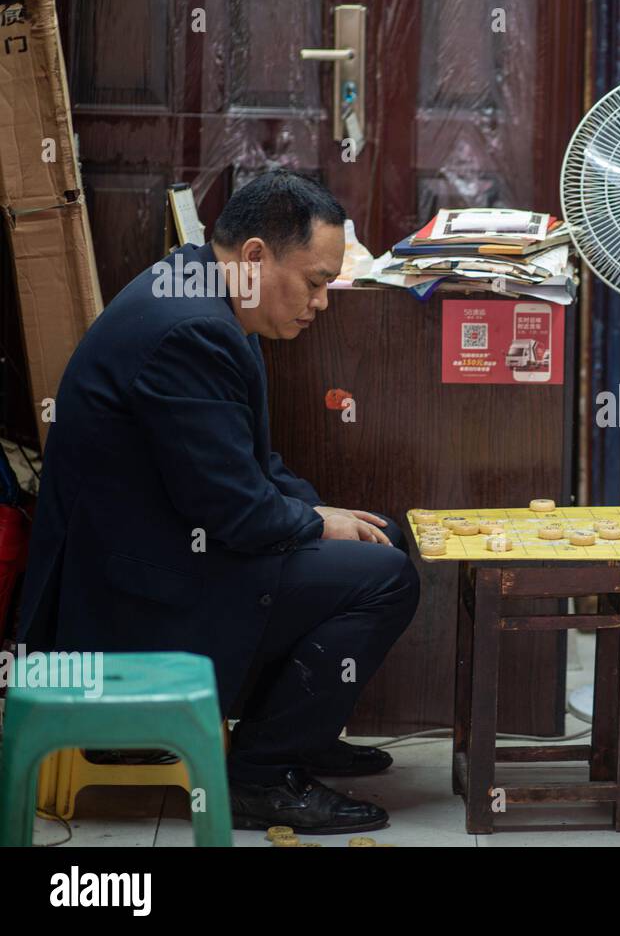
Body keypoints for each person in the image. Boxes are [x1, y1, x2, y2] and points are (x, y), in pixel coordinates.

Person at [18, 170, 419, 834]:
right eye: (315, 282)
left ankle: (293, 736)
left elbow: (251, 467)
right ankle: (262, 776)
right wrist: (315, 521)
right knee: (385, 578)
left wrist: (323, 515)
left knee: (379, 539)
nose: (321, 302)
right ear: (257, 256)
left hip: (158, 555)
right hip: (132, 605)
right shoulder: (191, 333)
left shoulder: (201, 292)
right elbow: (236, 515)